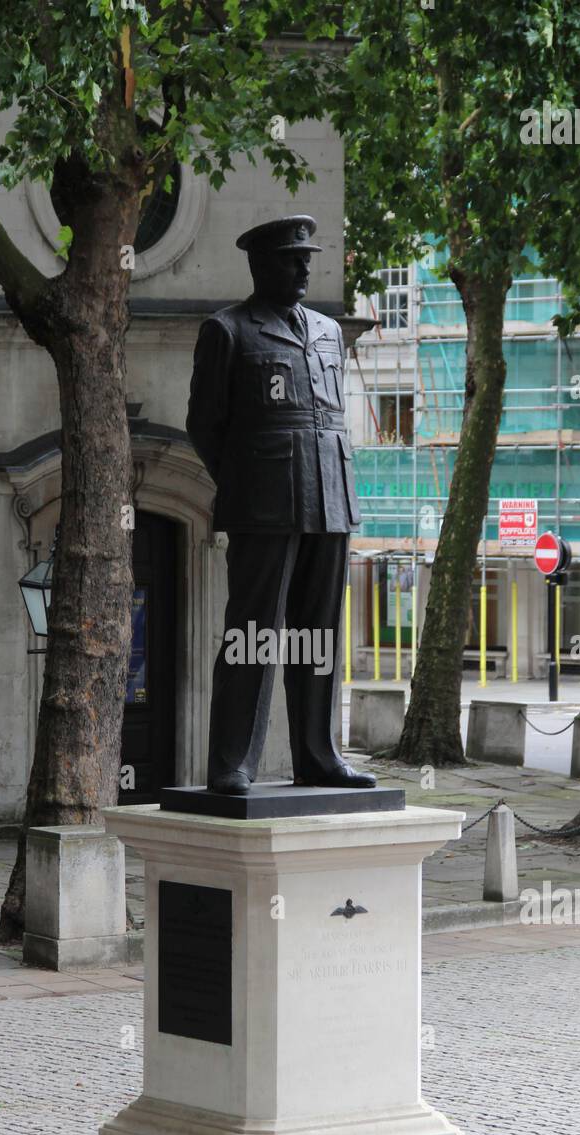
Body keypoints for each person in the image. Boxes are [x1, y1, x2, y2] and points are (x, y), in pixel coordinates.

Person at [186, 214, 376, 795]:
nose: (304, 267)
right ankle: (233, 762)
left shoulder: (325, 331)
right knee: (252, 634)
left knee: (319, 634)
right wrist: (250, 481)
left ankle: (318, 755)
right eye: (292, 258)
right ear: (261, 265)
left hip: (331, 497)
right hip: (264, 504)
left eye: (306, 257)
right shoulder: (228, 330)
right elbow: (204, 426)